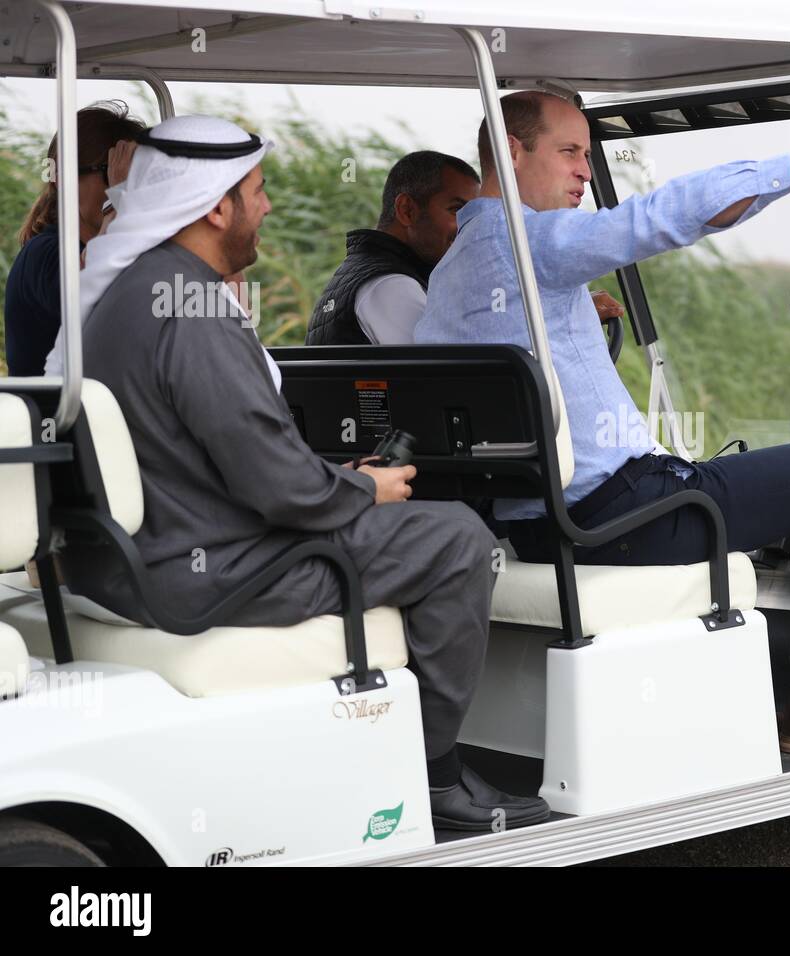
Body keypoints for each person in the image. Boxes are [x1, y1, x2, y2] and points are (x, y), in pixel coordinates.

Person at [62, 113, 548, 830]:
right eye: (255, 192)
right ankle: (435, 770)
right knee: (458, 538)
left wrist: (337, 475)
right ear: (215, 204)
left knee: (414, 520)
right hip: (217, 569)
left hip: (143, 557)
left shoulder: (126, 292)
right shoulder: (191, 305)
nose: (265, 208)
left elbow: (228, 454)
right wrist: (364, 487)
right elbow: (279, 489)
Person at [416, 90, 790, 755]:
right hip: (626, 518)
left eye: (590, 157)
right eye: (569, 152)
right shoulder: (531, 241)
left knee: (731, 475)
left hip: (537, 530)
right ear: (511, 154)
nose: (585, 173)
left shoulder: (449, 272)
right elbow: (654, 220)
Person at [306, 149, 625, 345]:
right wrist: (568, 314)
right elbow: (461, 372)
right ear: (407, 211)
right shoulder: (390, 287)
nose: (469, 226)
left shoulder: (379, 275)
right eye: (457, 211)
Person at [4, 101, 144, 376]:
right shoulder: (46, 255)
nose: (129, 188)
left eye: (137, 174)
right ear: (64, 177)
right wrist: (120, 203)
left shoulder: (124, 252)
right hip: (56, 416)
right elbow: (99, 306)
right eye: (112, 173)